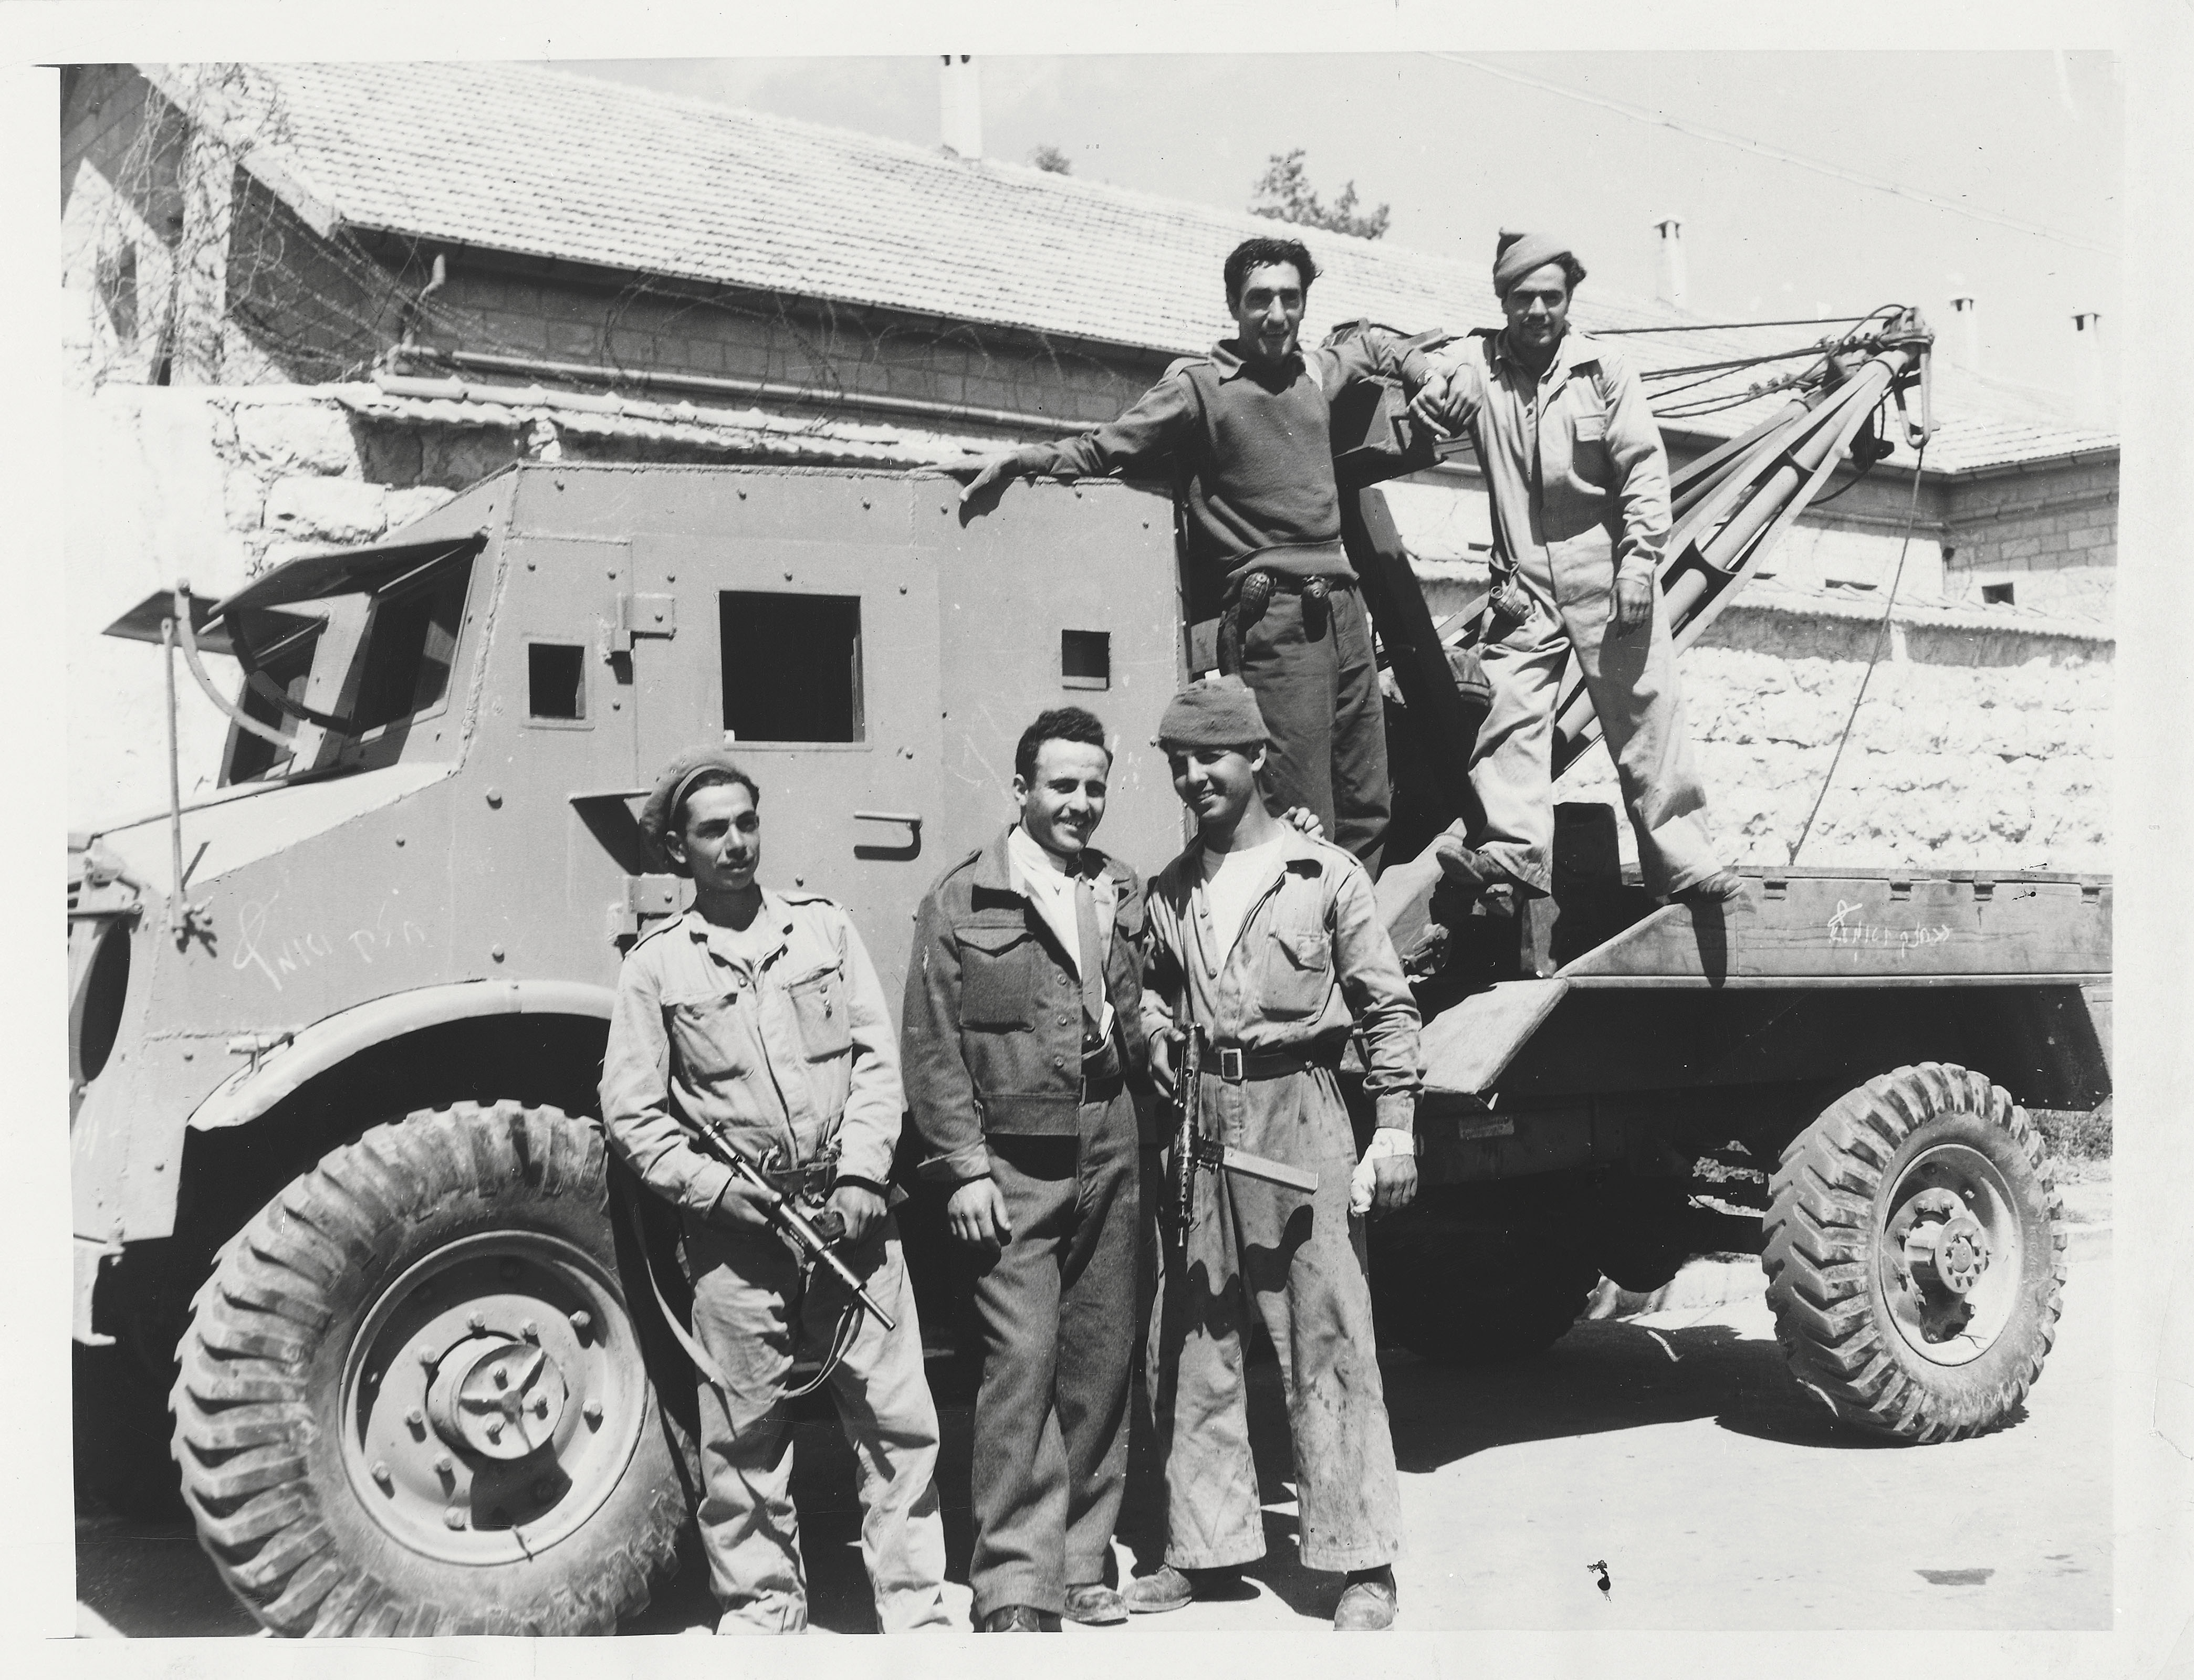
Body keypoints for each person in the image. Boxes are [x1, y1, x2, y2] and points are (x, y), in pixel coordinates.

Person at [599, 748, 950, 1634]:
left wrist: (867, 1172)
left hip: (851, 1214)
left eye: (745, 823)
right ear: (678, 851)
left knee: (896, 1424)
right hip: (736, 1234)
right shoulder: (657, 968)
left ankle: (916, 1616)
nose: (735, 844)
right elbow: (633, 1115)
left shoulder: (822, 931)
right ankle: (762, 1615)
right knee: (743, 1436)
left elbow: (878, 1063)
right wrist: (715, 1192)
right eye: (712, 830)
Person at [958, 235, 1442, 873]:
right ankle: (1295, 954)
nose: (1275, 315)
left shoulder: (1314, 373)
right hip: (1276, 621)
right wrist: (1022, 460)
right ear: (1232, 306)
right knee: (1298, 805)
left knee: (1367, 802)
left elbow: (1376, 344)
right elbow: (1108, 447)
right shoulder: (1199, 387)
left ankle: (1348, 941)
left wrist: (1430, 372)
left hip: (1344, 613)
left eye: (1289, 299)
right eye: (1259, 300)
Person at [1131, 676, 1421, 1633]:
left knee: (1325, 1333)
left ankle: (1359, 1563)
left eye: (1209, 757)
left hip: (1300, 1109)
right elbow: (1151, 992)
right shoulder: (1170, 890)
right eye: (1178, 761)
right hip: (1203, 1122)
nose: (1192, 776)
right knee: (1199, 1334)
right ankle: (1204, 1550)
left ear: (1255, 757)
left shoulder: (1323, 875)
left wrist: (1397, 1127)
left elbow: (1386, 1006)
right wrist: (1149, 1023)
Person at [901, 706, 1151, 1632]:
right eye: (1061, 785)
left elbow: (1147, 999)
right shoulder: (962, 899)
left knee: (1099, 1352)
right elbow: (929, 1047)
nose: (1079, 804)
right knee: (1021, 1358)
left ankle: (1083, 1561)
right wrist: (962, 1168)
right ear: (1020, 790)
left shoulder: (1119, 887)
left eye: (1093, 786)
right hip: (1009, 1157)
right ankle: (1013, 1580)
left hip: (1110, 1132)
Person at [1410, 230, 1742, 906]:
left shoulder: (1605, 369)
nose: (1538, 311)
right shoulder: (1477, 364)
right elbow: (1418, 361)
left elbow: (1646, 470)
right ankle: (1512, 854)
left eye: (1551, 297)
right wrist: (1426, 385)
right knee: (1507, 711)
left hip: (1609, 573)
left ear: (1570, 299)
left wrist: (1639, 563)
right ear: (1502, 300)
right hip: (1522, 586)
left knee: (1647, 713)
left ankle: (1685, 860)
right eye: (1523, 298)